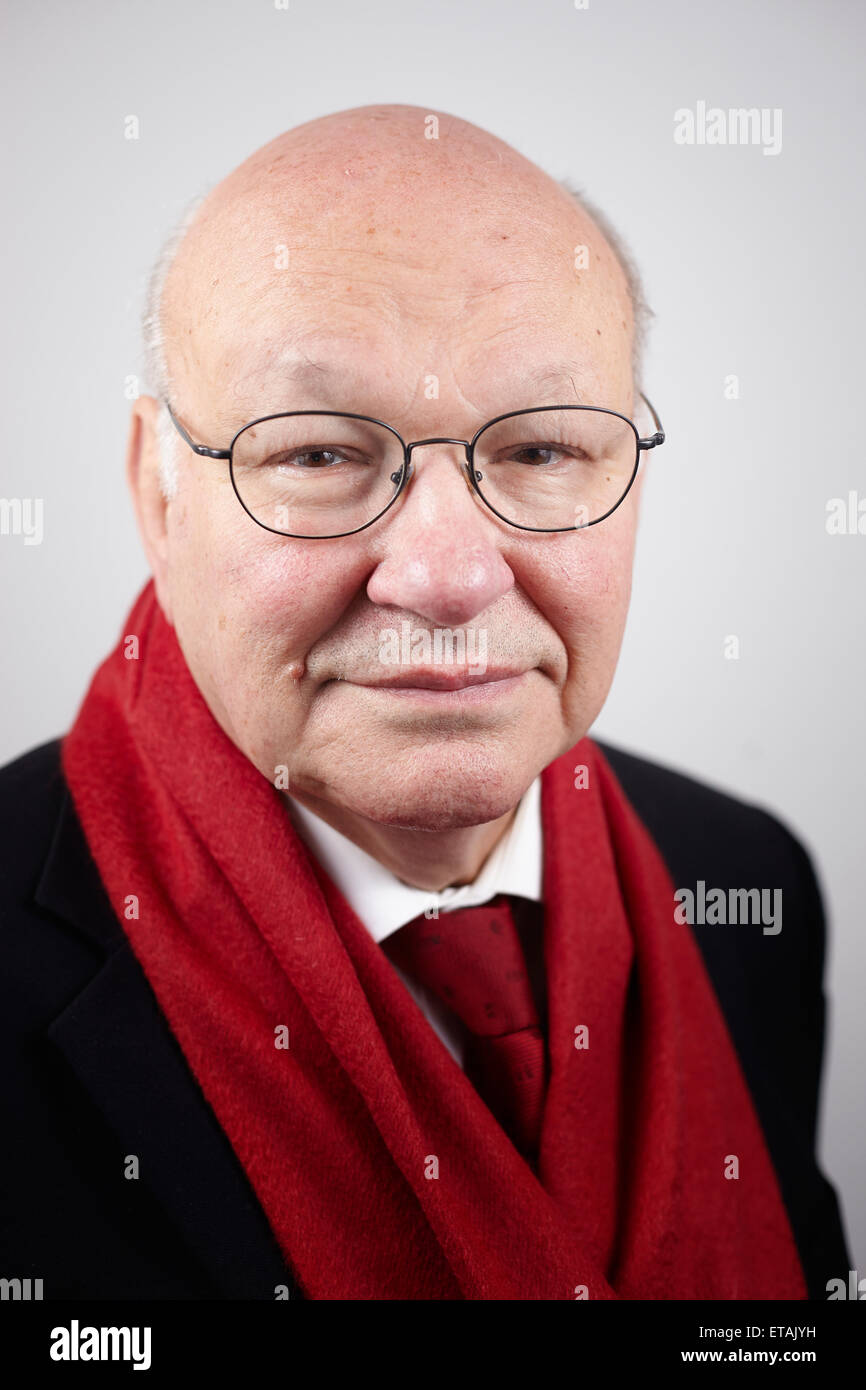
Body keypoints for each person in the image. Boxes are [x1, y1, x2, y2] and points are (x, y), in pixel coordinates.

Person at [0, 104, 850, 1300]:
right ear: (158, 493)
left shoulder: (742, 879)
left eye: (541, 450)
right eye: (316, 452)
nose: (448, 574)